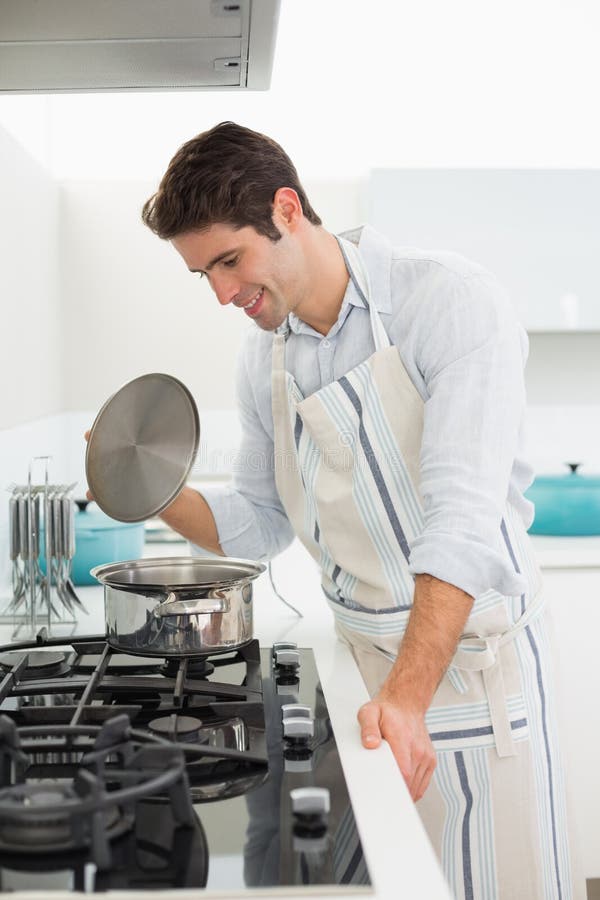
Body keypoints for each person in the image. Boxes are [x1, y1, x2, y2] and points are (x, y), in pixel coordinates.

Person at [139, 121, 575, 899]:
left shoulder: (447, 304)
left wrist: (408, 701)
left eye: (229, 261)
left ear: (286, 208)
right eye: (203, 274)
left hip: (472, 673)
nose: (222, 294)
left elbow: (462, 526)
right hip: (368, 678)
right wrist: (155, 490)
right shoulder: (263, 356)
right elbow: (260, 522)